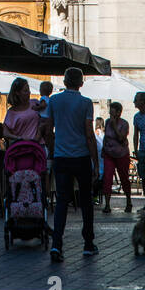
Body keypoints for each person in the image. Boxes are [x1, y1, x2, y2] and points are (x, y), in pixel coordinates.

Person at [46, 66, 99, 261]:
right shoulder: (86, 103)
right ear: (81, 83)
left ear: (64, 81)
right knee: (86, 201)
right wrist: (95, 161)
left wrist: (53, 150)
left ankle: (56, 245)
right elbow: (89, 133)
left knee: (61, 201)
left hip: (61, 157)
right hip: (81, 157)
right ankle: (88, 244)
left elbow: (48, 130)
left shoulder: (54, 101)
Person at [101, 101, 132, 213]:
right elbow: (106, 136)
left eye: (113, 113)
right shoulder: (107, 122)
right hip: (109, 153)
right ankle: (107, 204)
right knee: (107, 178)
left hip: (121, 154)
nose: (111, 116)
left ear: (119, 113)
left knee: (124, 177)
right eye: (110, 113)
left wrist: (114, 126)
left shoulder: (124, 124)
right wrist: (104, 148)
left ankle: (128, 201)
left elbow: (121, 138)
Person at [2, 78, 45, 144]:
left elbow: (45, 118)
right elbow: (5, 132)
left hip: (39, 146)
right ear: (17, 93)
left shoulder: (35, 103)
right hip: (22, 146)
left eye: (28, 90)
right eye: (25, 91)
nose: (29, 92)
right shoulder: (12, 112)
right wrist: (19, 138)